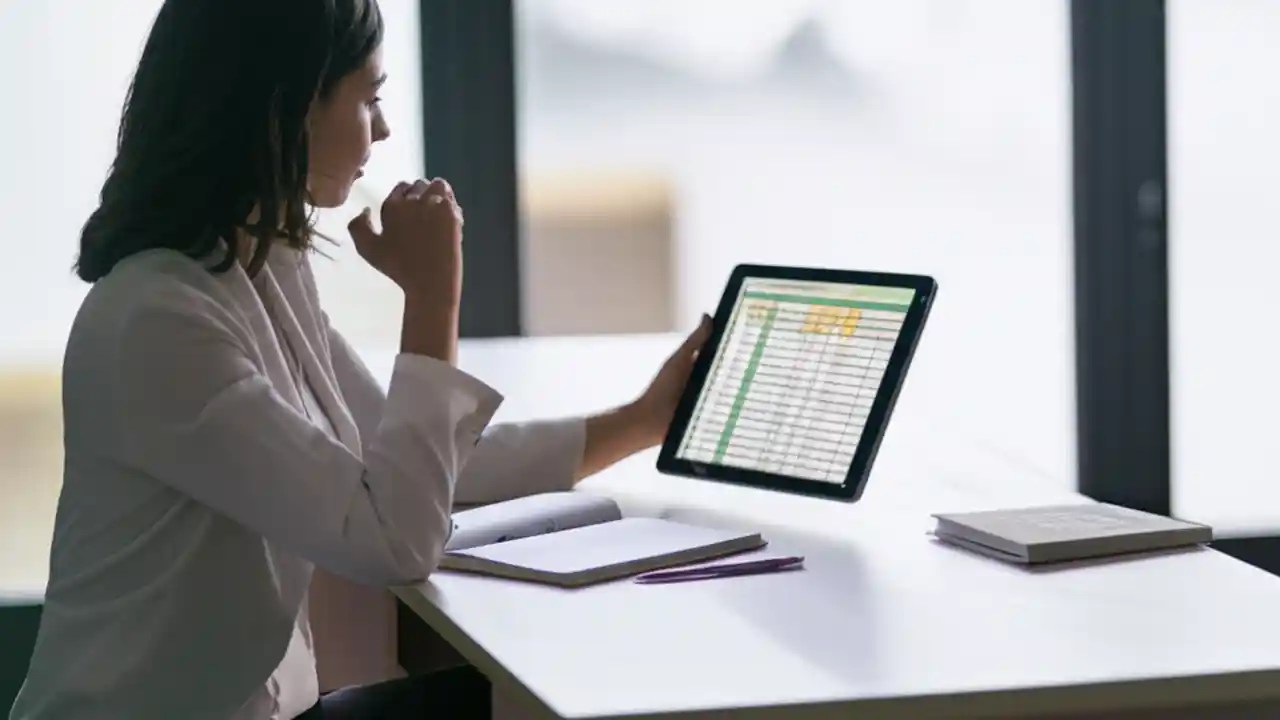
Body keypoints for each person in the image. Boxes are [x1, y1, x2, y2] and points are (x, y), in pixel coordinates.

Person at [7, 0, 709, 718]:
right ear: (286, 108)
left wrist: (644, 421)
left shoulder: (262, 269)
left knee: (535, 697)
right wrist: (433, 299)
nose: (384, 128)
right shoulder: (160, 325)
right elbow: (395, 541)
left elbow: (422, 463)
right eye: (369, 98)